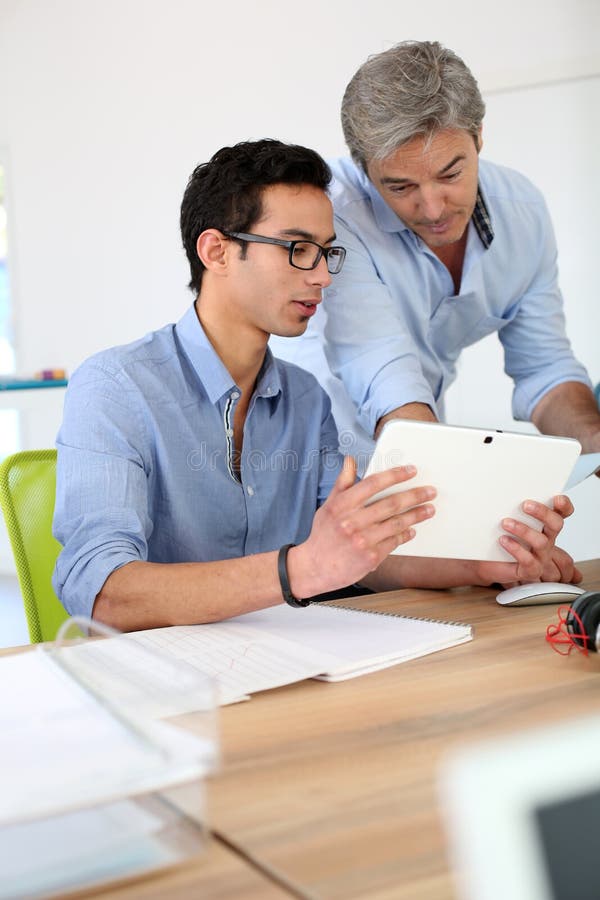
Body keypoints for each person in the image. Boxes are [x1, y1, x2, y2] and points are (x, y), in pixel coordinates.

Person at [52, 139, 579, 632]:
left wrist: (492, 562)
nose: (323, 276)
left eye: (327, 252)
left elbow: (367, 557)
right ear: (215, 252)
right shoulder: (115, 387)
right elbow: (99, 590)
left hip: (284, 660)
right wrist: (299, 569)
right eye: (297, 248)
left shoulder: (304, 399)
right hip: (165, 690)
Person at [271, 41, 600, 467]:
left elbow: (545, 368)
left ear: (479, 137)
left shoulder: (524, 214)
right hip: (308, 455)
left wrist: (594, 443)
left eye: (451, 174)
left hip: (416, 438)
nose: (433, 209)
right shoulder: (333, 215)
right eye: (400, 186)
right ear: (364, 168)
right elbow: (380, 365)